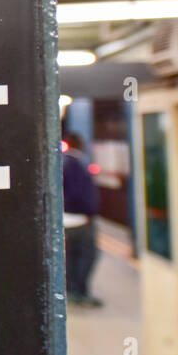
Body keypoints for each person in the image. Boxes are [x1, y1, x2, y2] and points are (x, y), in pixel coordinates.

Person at [63, 132, 102, 308]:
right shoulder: (75, 164)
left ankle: (72, 290)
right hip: (80, 219)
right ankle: (80, 292)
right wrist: (90, 210)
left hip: (67, 219)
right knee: (87, 256)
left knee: (72, 257)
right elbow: (80, 194)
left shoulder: (63, 162)